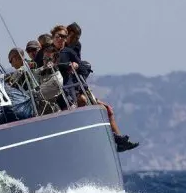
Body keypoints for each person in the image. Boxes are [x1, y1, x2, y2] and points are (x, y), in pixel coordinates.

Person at [54, 23, 139, 152]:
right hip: (70, 89)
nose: (68, 38)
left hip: (78, 85)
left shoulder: (74, 47)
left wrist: (78, 67)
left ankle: (119, 139)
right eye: (70, 35)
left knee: (107, 110)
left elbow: (80, 65)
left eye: (75, 36)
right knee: (88, 105)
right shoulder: (59, 50)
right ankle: (113, 139)